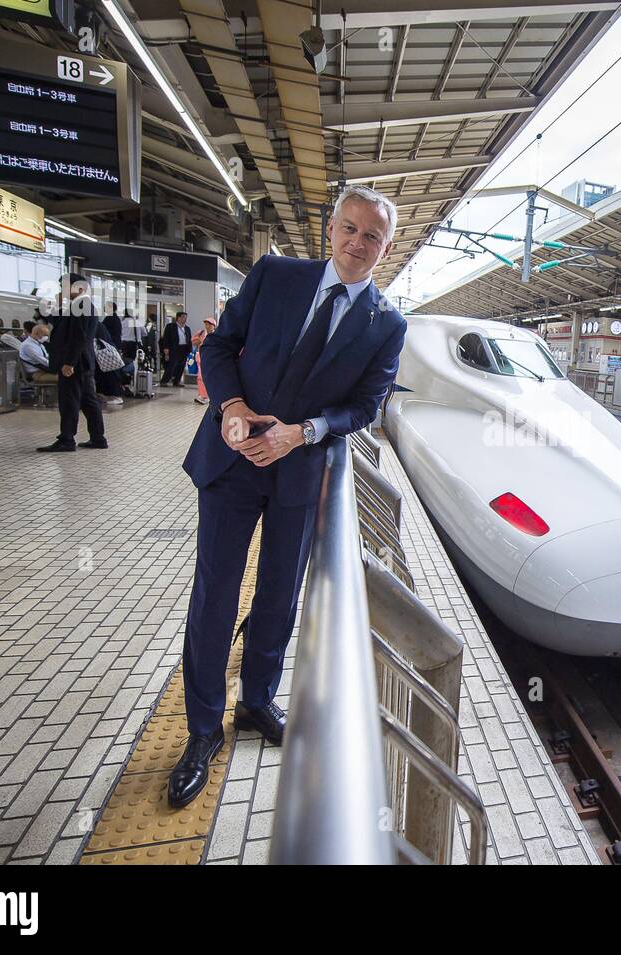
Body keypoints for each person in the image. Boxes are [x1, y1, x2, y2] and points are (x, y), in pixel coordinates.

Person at [169, 185, 407, 808]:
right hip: (233, 455)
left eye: (372, 237)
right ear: (331, 229)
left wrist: (303, 433)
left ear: (386, 247)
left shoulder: (387, 324)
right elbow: (219, 346)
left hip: (299, 471)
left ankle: (255, 699)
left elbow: (365, 405)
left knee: (279, 592)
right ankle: (201, 731)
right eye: (350, 229)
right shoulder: (275, 273)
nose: (358, 243)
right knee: (216, 591)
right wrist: (232, 407)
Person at [37, 274, 107, 452]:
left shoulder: (81, 306)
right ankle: (98, 437)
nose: (63, 291)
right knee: (88, 401)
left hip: (75, 364)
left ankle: (67, 439)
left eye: (66, 287)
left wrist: (70, 362)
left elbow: (79, 337)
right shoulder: (78, 306)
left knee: (69, 401)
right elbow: (60, 323)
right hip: (81, 362)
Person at [160, 312, 193, 386]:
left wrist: (190, 350)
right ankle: (164, 381)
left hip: (184, 349)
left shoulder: (187, 328)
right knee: (172, 365)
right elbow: (166, 338)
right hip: (174, 349)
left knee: (181, 366)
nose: (184, 319)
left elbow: (189, 339)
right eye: (183, 317)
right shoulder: (170, 327)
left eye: (185, 317)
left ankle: (176, 381)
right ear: (178, 318)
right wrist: (166, 349)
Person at [190, 316, 216, 405]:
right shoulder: (201, 333)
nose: (207, 326)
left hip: (212, 359)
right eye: (206, 324)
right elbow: (193, 342)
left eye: (209, 324)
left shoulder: (217, 335)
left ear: (214, 325)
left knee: (209, 378)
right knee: (200, 378)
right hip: (201, 358)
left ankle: (208, 396)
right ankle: (203, 396)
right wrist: (198, 339)